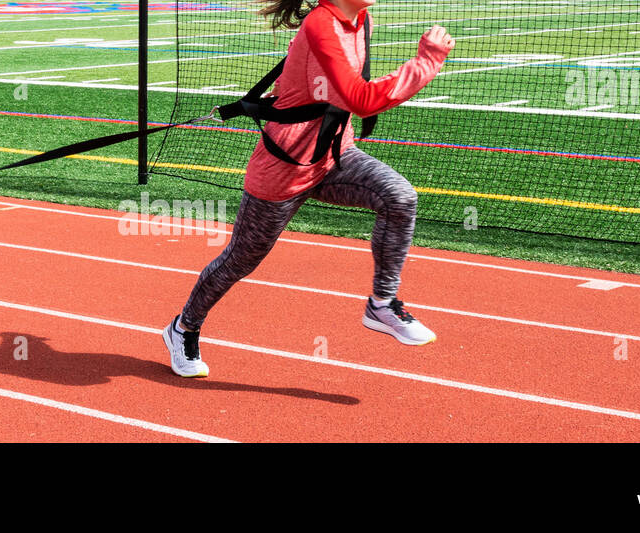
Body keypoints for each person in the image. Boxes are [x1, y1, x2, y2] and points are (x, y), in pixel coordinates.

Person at [162, 0, 454, 377]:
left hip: (333, 155)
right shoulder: (321, 25)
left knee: (399, 197)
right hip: (284, 168)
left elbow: (334, 86)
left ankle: (382, 304)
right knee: (240, 260)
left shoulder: (360, 20)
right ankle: (183, 327)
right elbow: (362, 101)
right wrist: (427, 61)